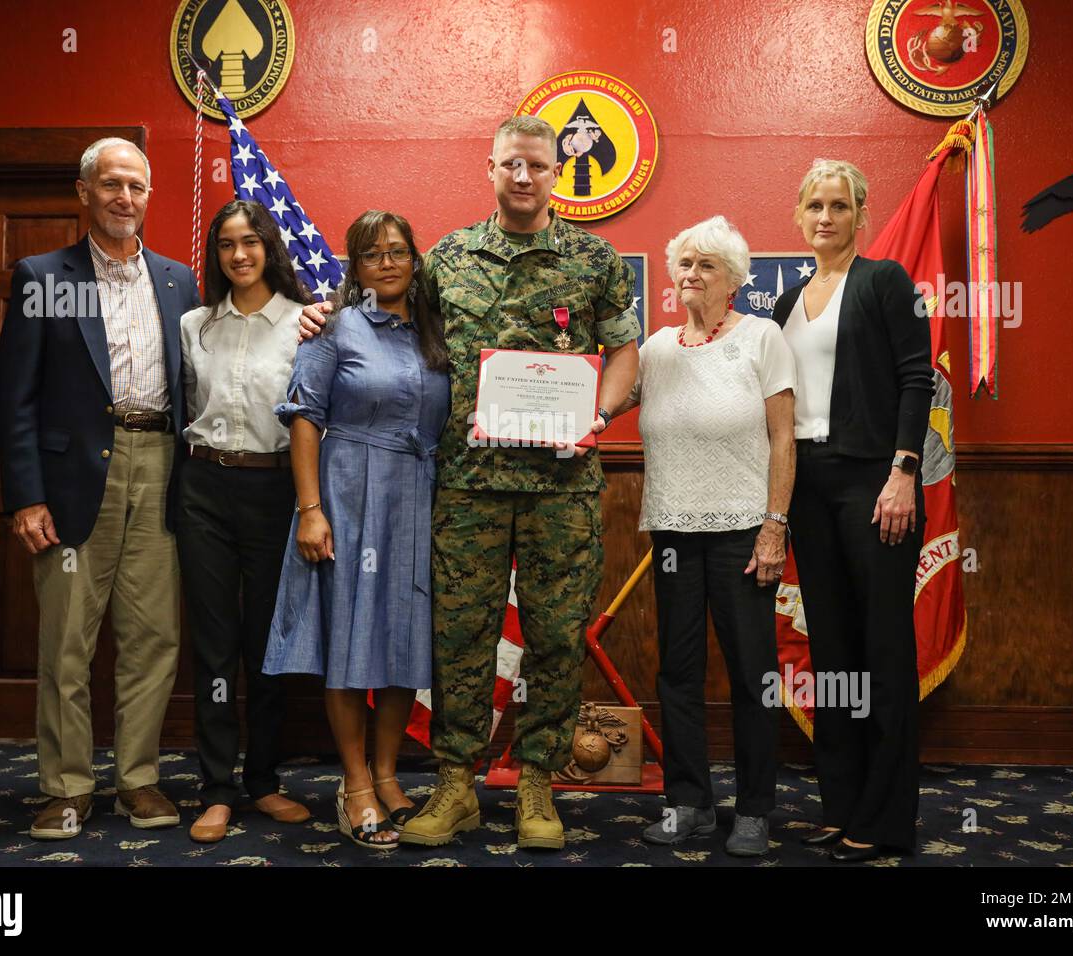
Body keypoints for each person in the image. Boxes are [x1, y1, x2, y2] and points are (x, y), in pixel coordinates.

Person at [295, 116, 640, 850]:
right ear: (491, 168)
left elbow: (624, 356)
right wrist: (316, 315)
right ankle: (455, 784)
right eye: (511, 164)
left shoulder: (595, 259)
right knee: (459, 640)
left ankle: (538, 786)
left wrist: (600, 411)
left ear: (557, 172)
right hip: (466, 487)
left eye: (538, 166)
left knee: (554, 637)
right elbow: (376, 308)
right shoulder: (446, 260)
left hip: (561, 487)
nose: (524, 177)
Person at [0, 137, 198, 839]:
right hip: (75, 478)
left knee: (153, 638)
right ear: (84, 191)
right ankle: (65, 788)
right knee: (66, 644)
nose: (125, 198)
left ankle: (137, 780)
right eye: (111, 185)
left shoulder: (179, 282)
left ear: (149, 196)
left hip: (162, 466)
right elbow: (15, 397)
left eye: (137, 187)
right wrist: (25, 495)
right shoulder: (44, 276)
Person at [263, 210, 449, 849]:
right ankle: (355, 784)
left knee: (402, 641)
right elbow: (304, 416)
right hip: (345, 492)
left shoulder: (434, 332)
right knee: (348, 639)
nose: (389, 263)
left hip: (416, 497)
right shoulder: (334, 325)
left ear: (414, 260)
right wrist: (310, 508)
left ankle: (390, 774)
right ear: (356, 266)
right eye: (374, 255)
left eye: (400, 251)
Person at [612, 216, 795, 857]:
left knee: (752, 674)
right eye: (684, 264)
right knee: (677, 673)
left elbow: (782, 439)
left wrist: (775, 526)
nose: (690, 275)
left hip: (745, 530)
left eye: (706, 266)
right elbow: (603, 399)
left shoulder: (761, 337)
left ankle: (754, 809)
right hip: (671, 530)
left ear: (734, 278)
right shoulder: (656, 348)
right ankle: (687, 801)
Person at [772, 159, 934, 863]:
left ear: (860, 214)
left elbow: (915, 377)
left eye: (840, 205)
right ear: (800, 216)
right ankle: (841, 807)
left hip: (876, 481)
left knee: (883, 653)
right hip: (808, 485)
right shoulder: (787, 301)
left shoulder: (885, 281)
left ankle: (887, 818)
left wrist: (904, 472)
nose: (826, 217)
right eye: (815, 205)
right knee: (834, 652)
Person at [177, 200, 314, 843]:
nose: (240, 255)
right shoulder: (194, 325)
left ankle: (262, 781)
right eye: (227, 244)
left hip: (274, 488)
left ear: (269, 249)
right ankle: (216, 788)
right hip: (202, 486)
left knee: (265, 645)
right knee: (212, 644)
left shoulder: (306, 323)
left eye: (251, 242)